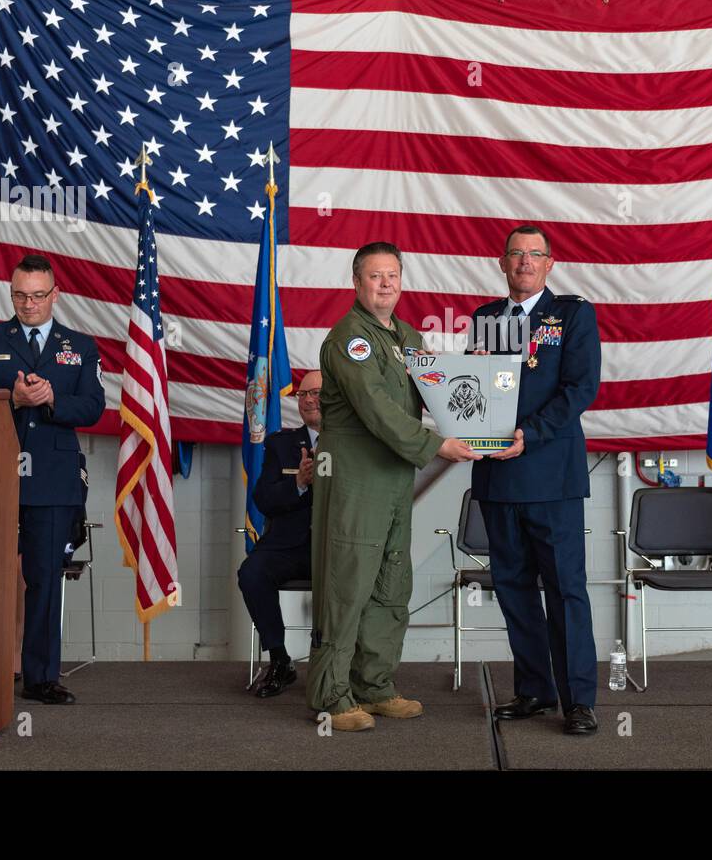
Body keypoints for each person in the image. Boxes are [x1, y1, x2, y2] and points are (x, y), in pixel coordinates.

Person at [306, 242, 480, 731]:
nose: (386, 284)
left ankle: (375, 686)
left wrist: (477, 370)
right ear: (357, 283)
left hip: (395, 473)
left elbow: (438, 384)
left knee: (390, 581)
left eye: (393, 275)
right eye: (376, 276)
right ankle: (332, 695)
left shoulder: (404, 335)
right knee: (349, 582)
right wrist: (435, 447)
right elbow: (377, 406)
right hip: (356, 473)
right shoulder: (349, 339)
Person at [469, 225, 602, 735]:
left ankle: (578, 700)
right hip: (497, 477)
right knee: (514, 589)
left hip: (552, 477)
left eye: (534, 254)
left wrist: (531, 433)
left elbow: (580, 388)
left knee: (566, 590)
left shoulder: (572, 314)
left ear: (550, 263)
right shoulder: (484, 319)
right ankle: (534, 689)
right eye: (516, 254)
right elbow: (473, 392)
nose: (524, 262)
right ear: (501, 263)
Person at [0, 254, 105, 704]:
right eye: (20, 295)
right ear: (11, 293)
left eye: (38, 295)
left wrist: (52, 398)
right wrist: (15, 401)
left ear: (54, 295)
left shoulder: (80, 345)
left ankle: (41, 677)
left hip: (54, 479)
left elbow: (94, 408)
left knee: (44, 579)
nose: (28, 304)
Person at [238, 370, 322, 698]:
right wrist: (298, 483)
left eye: (315, 393)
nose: (308, 400)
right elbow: (264, 499)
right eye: (302, 395)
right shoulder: (281, 443)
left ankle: (338, 663)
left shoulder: (355, 442)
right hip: (288, 545)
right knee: (252, 573)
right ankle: (279, 659)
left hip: (334, 545)